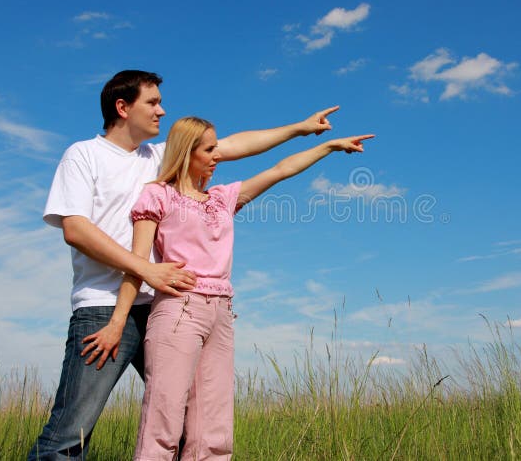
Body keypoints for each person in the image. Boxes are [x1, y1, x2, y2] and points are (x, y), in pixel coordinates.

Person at [29, 70, 343, 460]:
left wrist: (300, 129)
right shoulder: (84, 155)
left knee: (188, 426)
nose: (161, 110)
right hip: (104, 307)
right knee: (70, 432)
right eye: (152, 102)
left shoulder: (158, 156)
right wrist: (146, 270)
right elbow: (75, 229)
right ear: (122, 107)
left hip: (167, 305)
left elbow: (235, 145)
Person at [83, 116, 373, 460]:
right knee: (164, 421)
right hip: (179, 310)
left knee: (213, 430)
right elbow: (136, 265)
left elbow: (281, 170)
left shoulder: (223, 198)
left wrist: (328, 146)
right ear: (187, 152)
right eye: (209, 150)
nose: (217, 156)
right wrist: (117, 322)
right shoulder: (157, 195)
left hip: (221, 313)